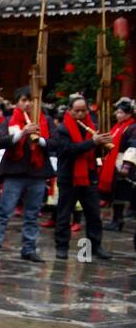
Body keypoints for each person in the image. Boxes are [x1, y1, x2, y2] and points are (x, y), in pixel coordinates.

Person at [0, 86, 52, 263]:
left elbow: (57, 143)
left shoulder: (46, 120)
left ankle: (29, 248)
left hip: (37, 173)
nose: (27, 104)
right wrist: (22, 134)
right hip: (14, 173)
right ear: (16, 104)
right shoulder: (9, 121)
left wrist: (40, 138)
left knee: (33, 213)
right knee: (4, 212)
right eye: (23, 100)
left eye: (31, 100)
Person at [50, 93, 112, 260]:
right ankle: (61, 247)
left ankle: (95, 246)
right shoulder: (62, 129)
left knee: (94, 213)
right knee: (64, 214)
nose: (80, 114)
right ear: (69, 111)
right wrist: (93, 142)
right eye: (77, 111)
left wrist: (102, 146)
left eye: (83, 111)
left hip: (89, 176)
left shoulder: (92, 125)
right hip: (68, 177)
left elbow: (94, 152)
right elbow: (68, 150)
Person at [100, 97, 136, 232]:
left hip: (124, 162)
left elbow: (134, 146)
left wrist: (126, 166)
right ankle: (115, 219)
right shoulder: (118, 127)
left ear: (128, 114)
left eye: (120, 112)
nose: (117, 114)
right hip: (114, 161)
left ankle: (118, 219)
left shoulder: (132, 127)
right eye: (117, 112)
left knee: (120, 193)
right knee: (115, 192)